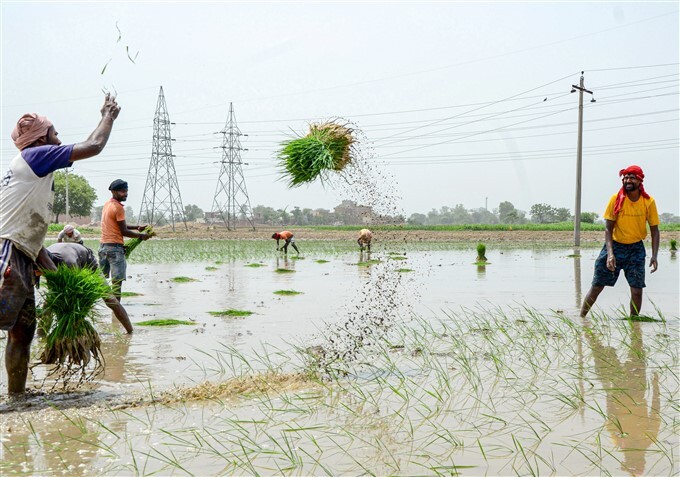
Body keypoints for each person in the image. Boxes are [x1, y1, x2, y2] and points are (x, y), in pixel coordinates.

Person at [0, 93, 121, 395]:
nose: (59, 139)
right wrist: (108, 115)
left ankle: (17, 398)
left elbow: (30, 234)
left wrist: (58, 278)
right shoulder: (35, 156)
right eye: (55, 133)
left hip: (23, 256)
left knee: (22, 332)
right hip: (7, 253)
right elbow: (93, 146)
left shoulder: (31, 172)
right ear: (41, 138)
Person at [580, 165, 660, 318]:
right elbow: (608, 229)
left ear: (640, 180)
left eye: (632, 177)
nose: (628, 180)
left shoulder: (648, 202)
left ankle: (634, 324)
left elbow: (655, 231)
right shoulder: (616, 199)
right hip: (614, 246)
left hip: (636, 249)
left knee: (637, 290)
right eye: (626, 177)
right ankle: (581, 318)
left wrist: (655, 256)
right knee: (597, 286)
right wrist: (610, 255)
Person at [46, 242, 133, 333]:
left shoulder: (69, 263)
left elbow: (76, 292)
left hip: (88, 261)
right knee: (49, 301)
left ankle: (130, 331)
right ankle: (41, 334)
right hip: (67, 254)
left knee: (110, 299)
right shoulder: (40, 261)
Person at [99, 179, 152, 302]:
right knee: (117, 283)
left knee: (101, 281)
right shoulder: (118, 208)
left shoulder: (108, 204)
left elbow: (119, 225)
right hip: (115, 249)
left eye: (126, 191)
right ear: (114, 191)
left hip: (103, 247)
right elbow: (124, 231)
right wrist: (141, 236)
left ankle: (107, 307)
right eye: (122, 191)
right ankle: (116, 311)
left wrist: (137, 228)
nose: (125, 194)